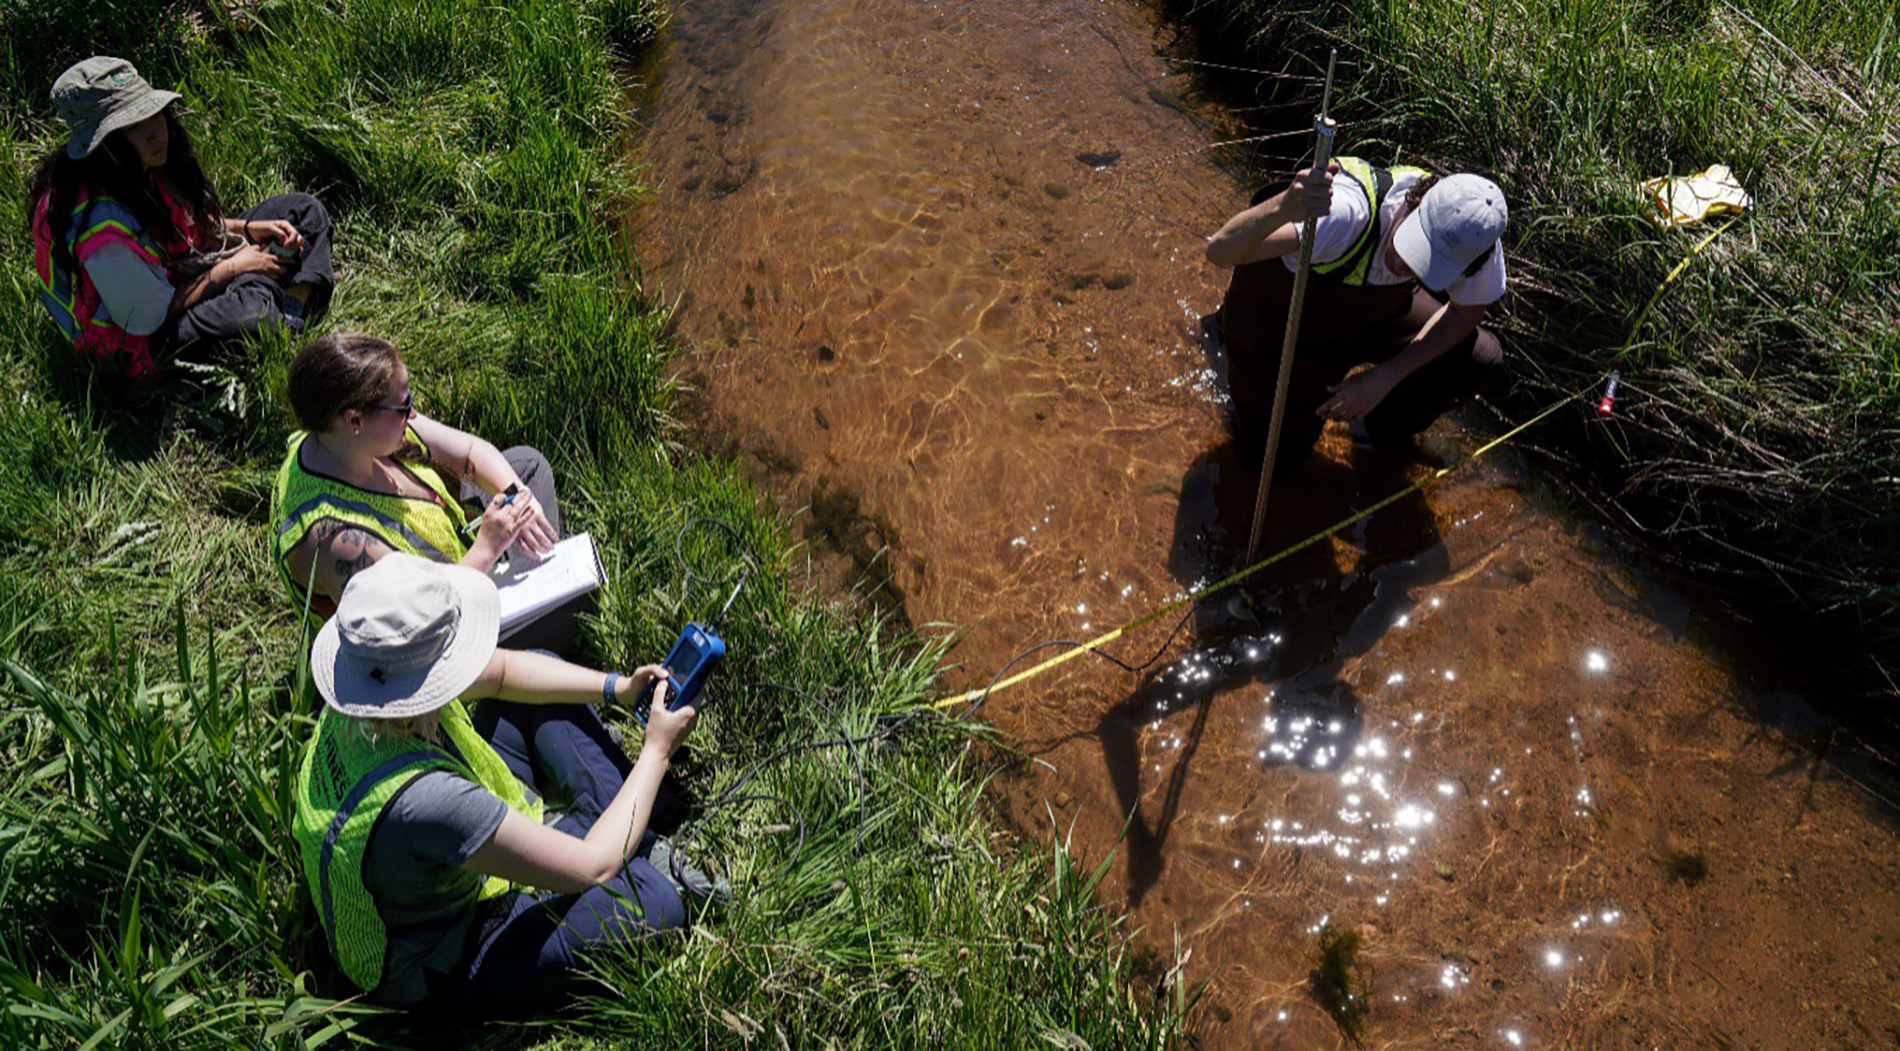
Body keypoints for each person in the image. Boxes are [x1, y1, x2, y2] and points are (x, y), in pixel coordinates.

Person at [292, 554, 715, 1010]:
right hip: (445, 954)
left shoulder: (362, 688)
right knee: (656, 904)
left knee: (540, 669)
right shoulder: (426, 799)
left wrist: (617, 687)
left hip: (438, 850)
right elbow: (591, 866)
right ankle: (636, 832)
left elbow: (505, 674)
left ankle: (628, 826)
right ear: (423, 684)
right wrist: (656, 751)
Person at [28, 56, 334, 382]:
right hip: (144, 339)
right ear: (104, 144)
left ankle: (283, 317)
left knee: (304, 210)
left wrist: (244, 228)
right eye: (133, 126)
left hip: (178, 272)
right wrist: (233, 267)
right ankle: (283, 306)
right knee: (247, 317)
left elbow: (183, 227)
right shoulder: (101, 234)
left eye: (153, 113)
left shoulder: (131, 167)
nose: (155, 132)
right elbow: (150, 319)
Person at [272, 332, 581, 652]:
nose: (414, 415)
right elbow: (421, 621)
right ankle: (549, 598)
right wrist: (486, 550)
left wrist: (518, 497)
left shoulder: (341, 439)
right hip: (435, 643)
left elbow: (470, 452)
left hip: (457, 565)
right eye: (403, 406)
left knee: (526, 467)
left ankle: (547, 580)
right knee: (573, 608)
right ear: (354, 419)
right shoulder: (336, 540)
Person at [1203, 156, 1508, 470]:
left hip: (1367, 321)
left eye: (1428, 263)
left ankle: (1380, 433)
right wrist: (1283, 207)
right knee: (1273, 462)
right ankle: (1222, 344)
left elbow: (1464, 314)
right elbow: (1219, 250)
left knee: (1478, 358)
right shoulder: (1345, 215)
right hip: (1281, 327)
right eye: (1413, 245)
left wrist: (1385, 377)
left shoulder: (1474, 239)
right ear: (1414, 202)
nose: (1404, 266)